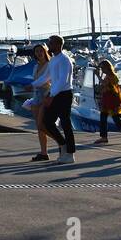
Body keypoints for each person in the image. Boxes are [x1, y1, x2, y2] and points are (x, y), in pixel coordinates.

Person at [37, 34, 77, 163]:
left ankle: (70, 155)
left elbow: (62, 81)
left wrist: (51, 95)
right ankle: (63, 144)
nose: (48, 45)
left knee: (66, 124)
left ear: (58, 44)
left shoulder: (65, 60)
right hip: (55, 93)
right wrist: (31, 84)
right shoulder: (54, 60)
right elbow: (47, 77)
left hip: (64, 94)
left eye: (51, 43)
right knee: (47, 122)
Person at [93, 59, 121, 145]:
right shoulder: (108, 76)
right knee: (104, 117)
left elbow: (106, 85)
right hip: (107, 100)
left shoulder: (112, 76)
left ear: (107, 68)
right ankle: (104, 137)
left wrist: (98, 76)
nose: (102, 70)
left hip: (111, 101)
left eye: (102, 68)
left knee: (116, 119)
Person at [25, 43, 52, 161]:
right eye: (36, 51)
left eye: (41, 51)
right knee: (39, 127)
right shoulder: (36, 66)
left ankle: (62, 142)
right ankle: (43, 152)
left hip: (46, 95)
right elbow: (35, 80)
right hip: (36, 96)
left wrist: (32, 86)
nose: (39, 53)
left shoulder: (49, 65)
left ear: (45, 51)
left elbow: (45, 80)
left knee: (43, 124)